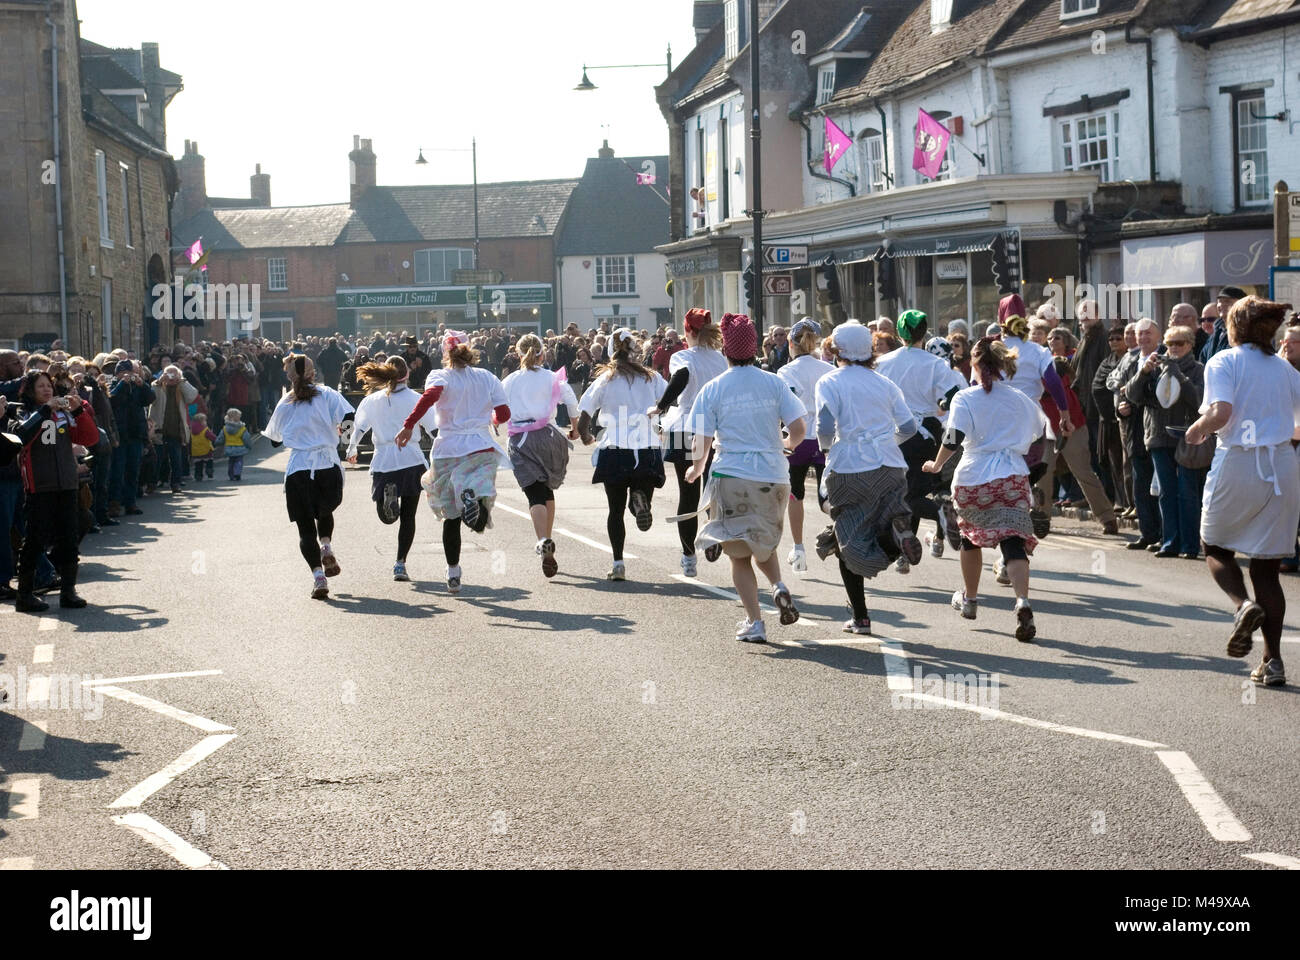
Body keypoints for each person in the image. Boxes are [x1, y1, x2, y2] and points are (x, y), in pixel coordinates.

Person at [1184, 298, 1299, 687]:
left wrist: (1195, 431)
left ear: (1234, 327)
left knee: (1215, 546)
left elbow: (1221, 413)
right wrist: (1279, 433)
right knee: (1267, 568)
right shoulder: (1284, 369)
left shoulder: (1223, 361)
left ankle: (1242, 605)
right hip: (1282, 465)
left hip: (1239, 460)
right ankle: (1273, 661)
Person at [683, 313, 807, 643]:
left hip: (732, 475)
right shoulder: (774, 382)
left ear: (725, 348)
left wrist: (697, 468)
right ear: (755, 347)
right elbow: (799, 428)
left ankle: (755, 622)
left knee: (739, 555)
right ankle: (779, 586)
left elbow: (702, 439)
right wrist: (787, 445)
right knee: (762, 540)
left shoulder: (713, 389)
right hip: (773, 476)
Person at [923, 338, 1048, 641]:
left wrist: (937, 465)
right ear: (1005, 363)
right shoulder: (1021, 398)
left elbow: (953, 437)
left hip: (974, 476)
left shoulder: (965, 398)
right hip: (1013, 476)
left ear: (974, 365)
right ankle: (1022, 601)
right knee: (1013, 541)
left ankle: (970, 599)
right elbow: (1037, 434)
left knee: (971, 539)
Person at [812, 321, 919, 635]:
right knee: (880, 523)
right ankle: (897, 539)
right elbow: (909, 428)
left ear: (836, 350)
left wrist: (827, 449)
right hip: (890, 466)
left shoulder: (829, 381)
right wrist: (886, 442)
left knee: (848, 538)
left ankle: (860, 617)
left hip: (849, 467)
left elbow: (825, 426)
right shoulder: (884, 383)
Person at [396, 331, 510, 595]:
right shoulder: (487, 377)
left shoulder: (439, 376)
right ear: (469, 352)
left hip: (448, 448)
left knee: (451, 517)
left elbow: (429, 398)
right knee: (481, 499)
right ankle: (473, 499)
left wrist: (408, 426)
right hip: (480, 446)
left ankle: (453, 572)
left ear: (445, 353)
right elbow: (504, 414)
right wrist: (490, 420)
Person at [875, 309, 966, 569]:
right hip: (926, 433)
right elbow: (953, 397)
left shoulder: (883, 362)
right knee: (913, 491)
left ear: (899, 333)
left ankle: (936, 514)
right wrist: (940, 402)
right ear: (923, 332)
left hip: (892, 433)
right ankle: (907, 549)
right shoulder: (935, 363)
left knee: (902, 495)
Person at [577, 328, 668, 581]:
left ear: (609, 351)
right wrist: (659, 416)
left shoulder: (605, 379)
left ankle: (618, 563)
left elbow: (585, 413)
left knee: (615, 510)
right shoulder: (650, 377)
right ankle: (640, 500)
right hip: (647, 447)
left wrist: (585, 436)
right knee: (640, 496)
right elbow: (669, 397)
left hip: (615, 448)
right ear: (634, 348)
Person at [263, 355, 355, 600]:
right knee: (325, 511)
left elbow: (274, 440)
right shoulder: (327, 394)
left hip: (300, 467)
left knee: (305, 529)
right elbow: (348, 417)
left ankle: (318, 577)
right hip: (327, 463)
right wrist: (346, 443)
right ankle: (326, 545)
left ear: (291, 376)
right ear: (313, 373)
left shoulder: (286, 401)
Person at [10, 369, 99, 612]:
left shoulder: (64, 414)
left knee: (69, 537)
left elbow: (90, 438)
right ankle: (25, 594)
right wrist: (44, 410)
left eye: (48, 386)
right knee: (35, 539)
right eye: (40, 387)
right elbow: (21, 436)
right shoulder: (23, 413)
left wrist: (78, 410)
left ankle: (68, 591)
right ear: (30, 391)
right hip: (40, 486)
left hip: (67, 484)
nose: (47, 390)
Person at [347, 356, 439, 582]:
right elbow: (435, 431)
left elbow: (358, 428)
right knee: (408, 517)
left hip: (383, 459)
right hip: (411, 458)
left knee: (386, 517)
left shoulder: (372, 400)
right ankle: (400, 563)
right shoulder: (417, 399)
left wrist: (352, 448)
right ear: (407, 374)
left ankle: (388, 501)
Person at [653, 309, 728, 578]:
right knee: (714, 489)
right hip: (718, 428)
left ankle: (688, 556)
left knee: (688, 495)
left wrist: (661, 405)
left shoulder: (682, 356)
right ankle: (712, 535)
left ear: (688, 331)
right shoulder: (721, 359)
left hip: (688, 426)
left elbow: (680, 378)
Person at [501, 334, 580, 579]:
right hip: (549, 436)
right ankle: (548, 539)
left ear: (518, 353)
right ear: (543, 354)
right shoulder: (552, 377)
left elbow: (499, 408)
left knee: (534, 493)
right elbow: (571, 401)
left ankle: (543, 540)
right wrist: (576, 427)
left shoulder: (511, 380)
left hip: (522, 439)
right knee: (547, 490)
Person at [1124, 324, 1205, 558]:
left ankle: (1190, 545)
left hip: (1187, 437)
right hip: (1159, 437)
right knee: (1166, 492)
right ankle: (1169, 542)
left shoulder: (1198, 369)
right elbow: (1132, 395)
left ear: (1190, 345)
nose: (1174, 348)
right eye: (1170, 344)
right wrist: (1144, 372)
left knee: (1187, 492)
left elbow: (1199, 399)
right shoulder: (1156, 367)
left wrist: (1178, 373)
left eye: (1179, 343)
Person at [776, 318, 835, 573]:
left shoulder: (786, 371)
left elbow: (784, 407)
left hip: (797, 436)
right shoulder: (828, 368)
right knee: (827, 495)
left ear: (791, 343)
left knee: (795, 493)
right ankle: (839, 530)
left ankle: (798, 549)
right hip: (825, 438)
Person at [1115, 319, 1165, 550]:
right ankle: (1148, 533)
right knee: (1141, 485)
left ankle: (1165, 534)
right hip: (1135, 430)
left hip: (1159, 430)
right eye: (1140, 333)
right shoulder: (1130, 360)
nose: (1143, 338)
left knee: (1160, 486)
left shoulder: (1165, 357)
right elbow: (1120, 391)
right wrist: (1121, 408)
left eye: (1148, 333)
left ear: (1158, 336)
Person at [1199, 286, 1246, 364]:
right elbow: (1203, 358)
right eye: (1219, 301)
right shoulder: (1217, 331)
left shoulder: (1245, 330)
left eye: (1227, 301)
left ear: (1241, 304)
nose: (1221, 305)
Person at [221, 407, 255, 481]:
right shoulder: (242, 428)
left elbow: (221, 438)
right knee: (239, 461)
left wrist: (216, 443)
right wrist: (249, 446)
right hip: (239, 448)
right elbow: (247, 439)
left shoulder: (225, 428)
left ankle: (231, 474)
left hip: (229, 448)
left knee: (231, 462)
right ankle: (237, 473)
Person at [189, 413, 217, 482]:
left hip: (196, 451)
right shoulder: (205, 430)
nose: (206, 422)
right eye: (205, 420)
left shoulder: (191, 430)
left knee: (198, 465)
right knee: (209, 462)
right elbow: (212, 437)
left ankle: (198, 476)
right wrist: (216, 439)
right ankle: (210, 474)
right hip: (206, 450)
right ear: (201, 421)